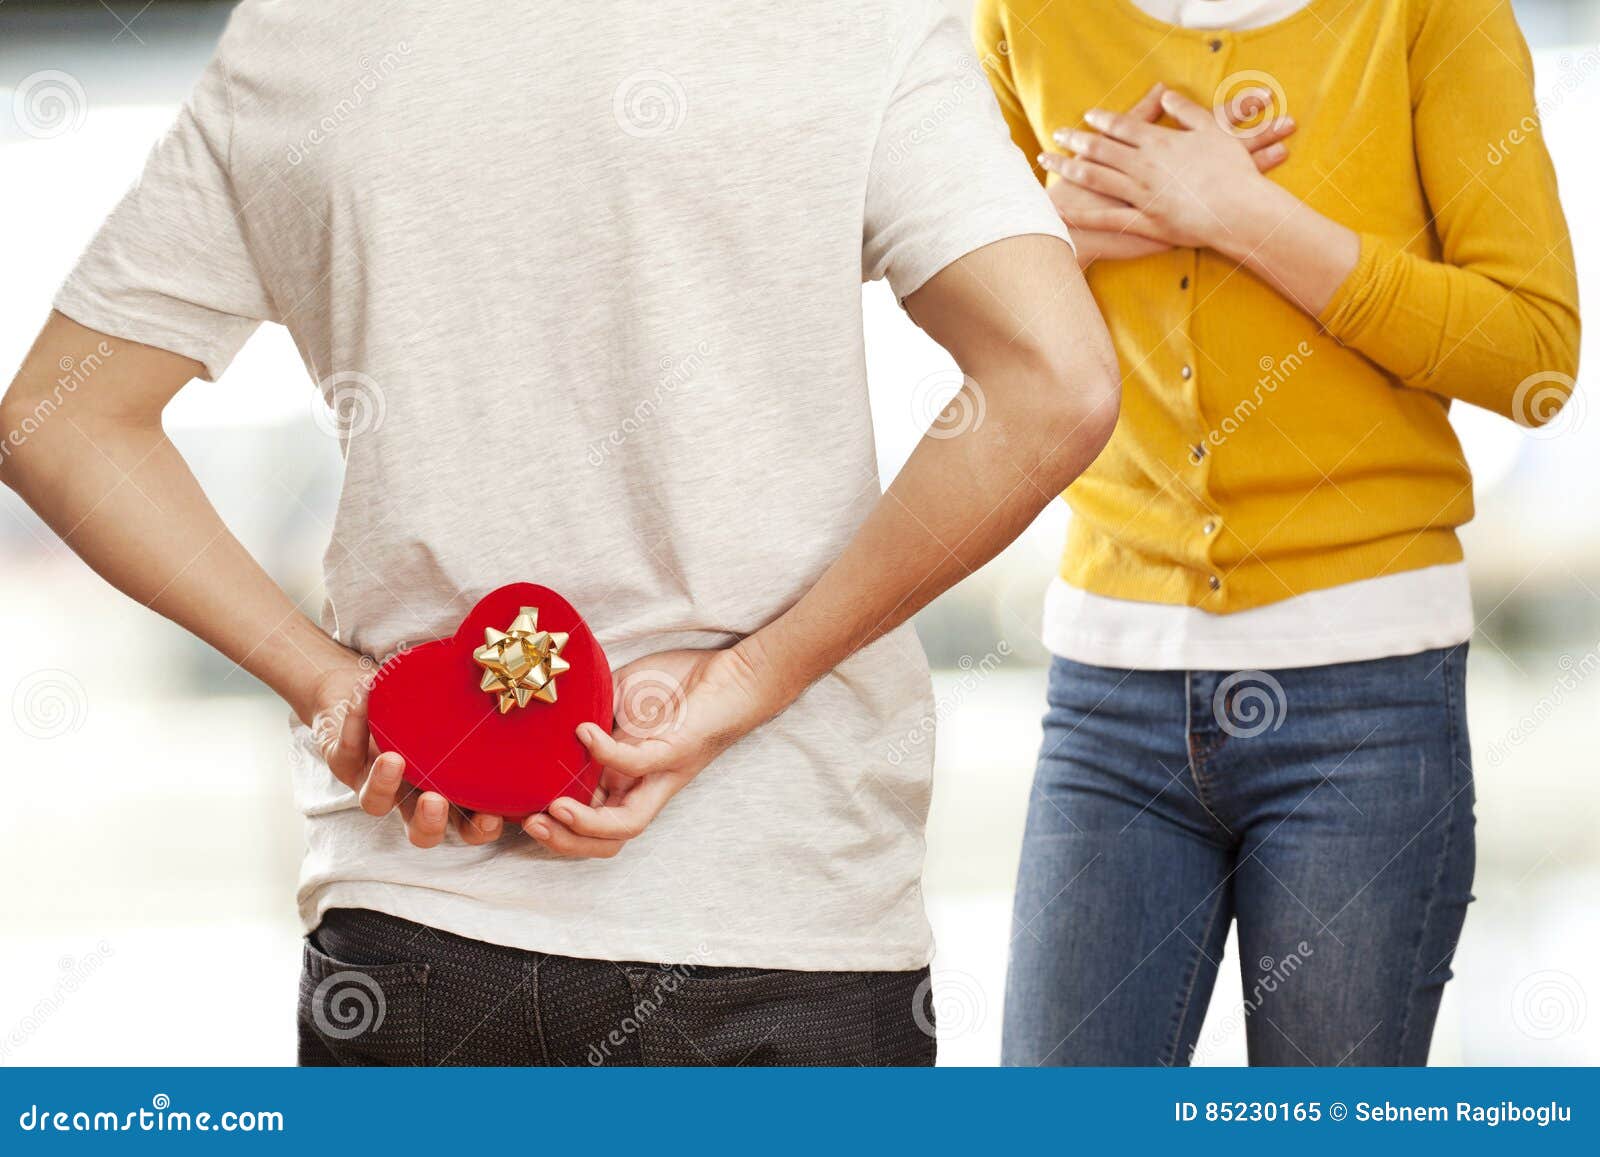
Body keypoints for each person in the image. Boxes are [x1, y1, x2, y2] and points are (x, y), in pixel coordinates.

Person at [0, 0, 1118, 1066]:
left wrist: (332, 684)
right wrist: (751, 676)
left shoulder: (304, 36)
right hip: (787, 919)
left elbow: (61, 424)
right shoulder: (847, 21)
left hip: (421, 924)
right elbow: (1052, 382)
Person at [973, 0, 1579, 1065]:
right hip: (1107, 695)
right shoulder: (1022, 15)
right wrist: (1045, 234)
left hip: (1367, 699)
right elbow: (962, 317)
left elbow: (1532, 355)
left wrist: (1240, 215)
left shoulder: (1430, 14)